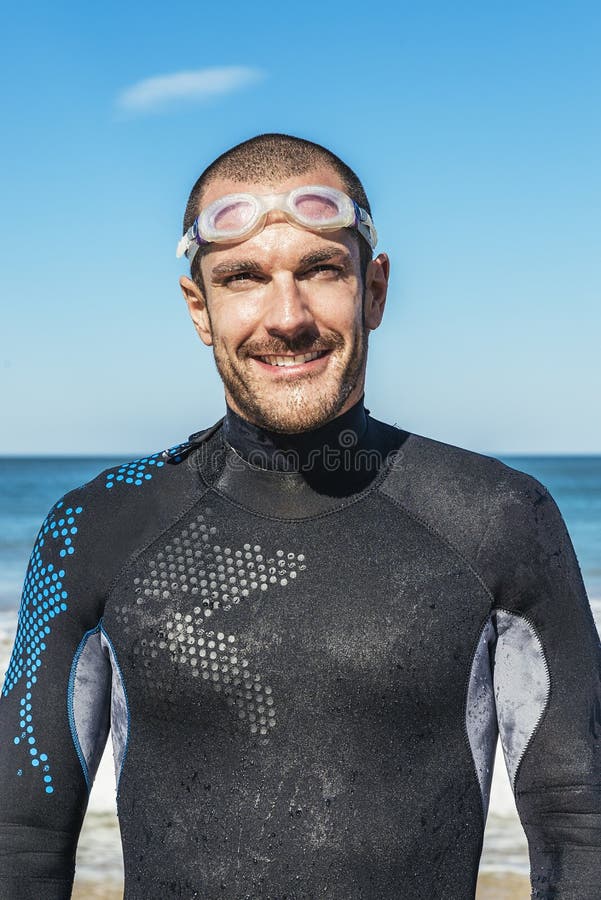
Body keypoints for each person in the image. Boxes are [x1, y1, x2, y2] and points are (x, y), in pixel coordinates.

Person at [1, 133, 600, 900]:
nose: (286, 317)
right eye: (243, 277)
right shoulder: (94, 528)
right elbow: (17, 842)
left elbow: (579, 822)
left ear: (373, 290)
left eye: (320, 270)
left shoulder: (497, 517)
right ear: (199, 308)